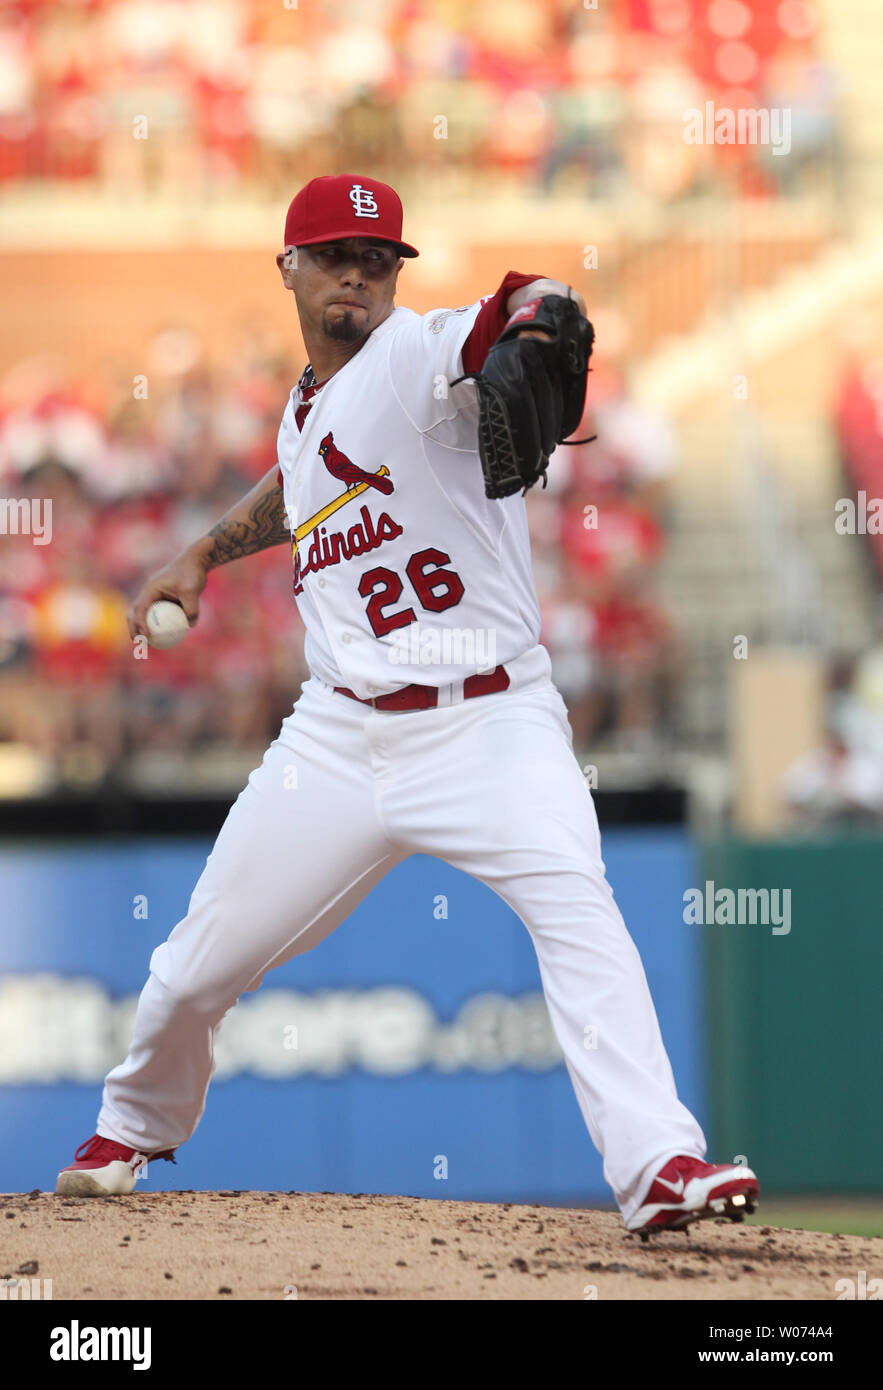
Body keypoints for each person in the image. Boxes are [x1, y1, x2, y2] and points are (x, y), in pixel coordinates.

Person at [56, 174, 758, 1237]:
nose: (358, 272)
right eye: (335, 253)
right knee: (198, 961)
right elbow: (305, 484)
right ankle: (130, 1125)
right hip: (337, 736)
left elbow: (532, 305)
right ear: (288, 267)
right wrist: (201, 552)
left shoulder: (416, 352)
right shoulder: (308, 406)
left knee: (578, 910)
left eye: (378, 257)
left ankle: (658, 1161)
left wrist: (537, 315)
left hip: (491, 721)